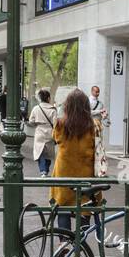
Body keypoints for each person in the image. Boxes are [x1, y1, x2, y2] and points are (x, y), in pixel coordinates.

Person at [51, 86, 104, 236]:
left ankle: (64, 245)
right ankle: (80, 244)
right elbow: (99, 147)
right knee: (85, 208)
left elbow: (55, 139)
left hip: (64, 172)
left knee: (63, 207)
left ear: (67, 106)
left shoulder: (60, 124)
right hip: (85, 173)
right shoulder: (94, 125)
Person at [30, 88, 58, 176]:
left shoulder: (36, 108)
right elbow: (56, 123)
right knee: (49, 154)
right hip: (50, 132)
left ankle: (43, 171)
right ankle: (45, 170)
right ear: (48, 98)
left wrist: (36, 124)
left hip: (39, 132)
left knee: (40, 153)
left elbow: (31, 121)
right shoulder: (53, 110)